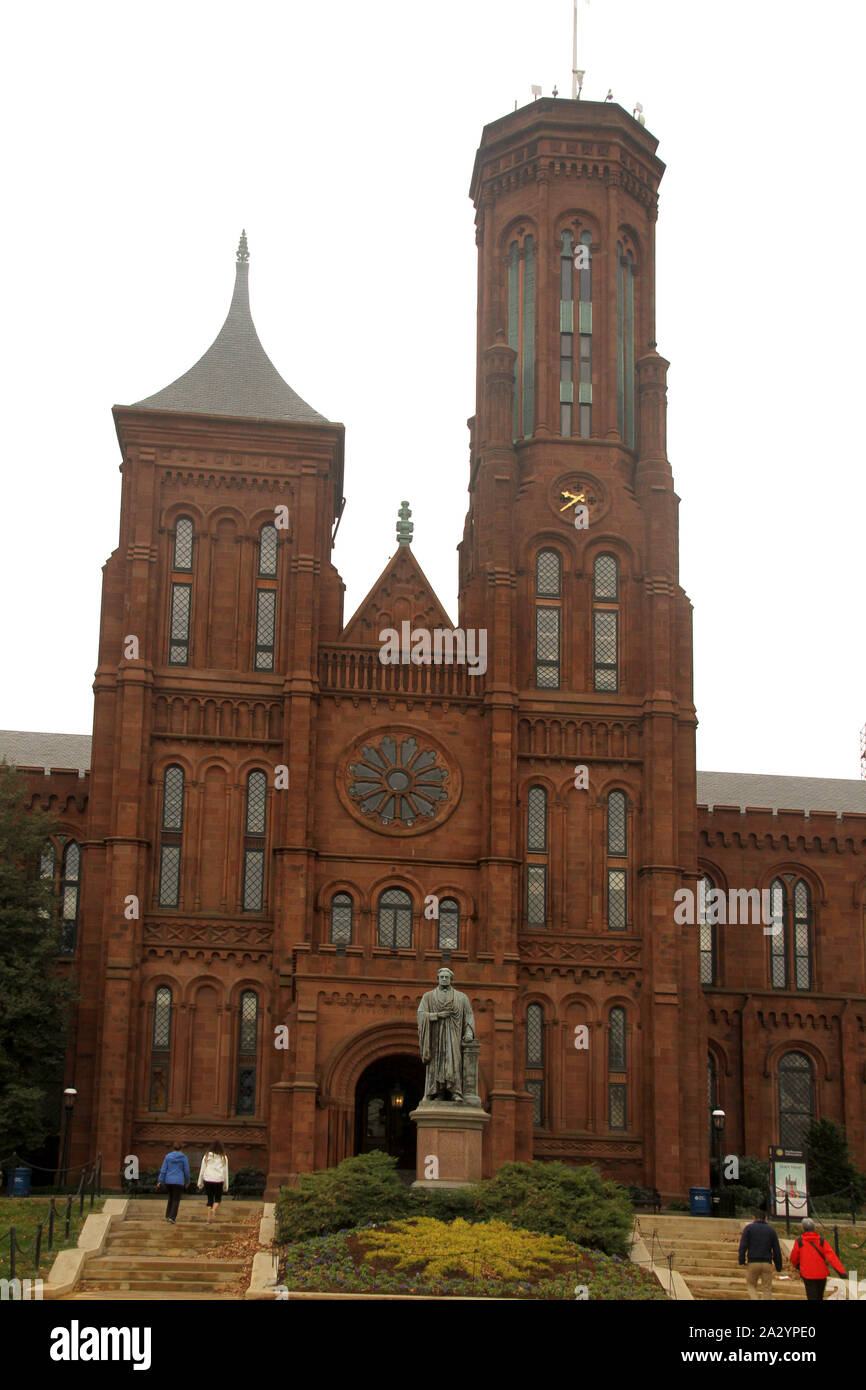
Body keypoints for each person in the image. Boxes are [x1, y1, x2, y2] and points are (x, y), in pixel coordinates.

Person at [790, 1217, 846, 1300]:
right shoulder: (821, 1241)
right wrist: (841, 1272)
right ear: (814, 1228)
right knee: (819, 1296)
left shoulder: (799, 1242)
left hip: (807, 1273)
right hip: (821, 1274)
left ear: (803, 1228)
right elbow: (832, 1257)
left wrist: (797, 1265)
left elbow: (794, 1257)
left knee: (812, 1296)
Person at [738, 1209, 783, 1299]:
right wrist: (778, 1266)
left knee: (751, 1285)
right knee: (767, 1288)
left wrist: (741, 1260)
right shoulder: (771, 1230)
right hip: (767, 1263)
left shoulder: (749, 1228)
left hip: (753, 1262)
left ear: (754, 1218)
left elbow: (743, 1246)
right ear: (765, 1219)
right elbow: (777, 1249)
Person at [156, 1141, 190, 1224]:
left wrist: (160, 1180)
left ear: (173, 1148)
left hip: (168, 1180)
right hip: (179, 1181)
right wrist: (187, 1181)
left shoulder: (168, 1157)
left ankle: (167, 1215)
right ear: (181, 1148)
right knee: (176, 1199)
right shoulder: (183, 1157)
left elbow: (164, 1169)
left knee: (170, 1198)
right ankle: (172, 1217)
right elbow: (186, 1170)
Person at [197, 1140, 230, 1223]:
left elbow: (202, 1169)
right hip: (219, 1179)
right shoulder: (224, 1157)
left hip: (208, 1179)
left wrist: (200, 1182)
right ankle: (214, 1209)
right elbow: (225, 1171)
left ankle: (208, 1219)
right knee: (218, 1199)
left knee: (209, 1199)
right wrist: (226, 1185)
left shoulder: (207, 1156)